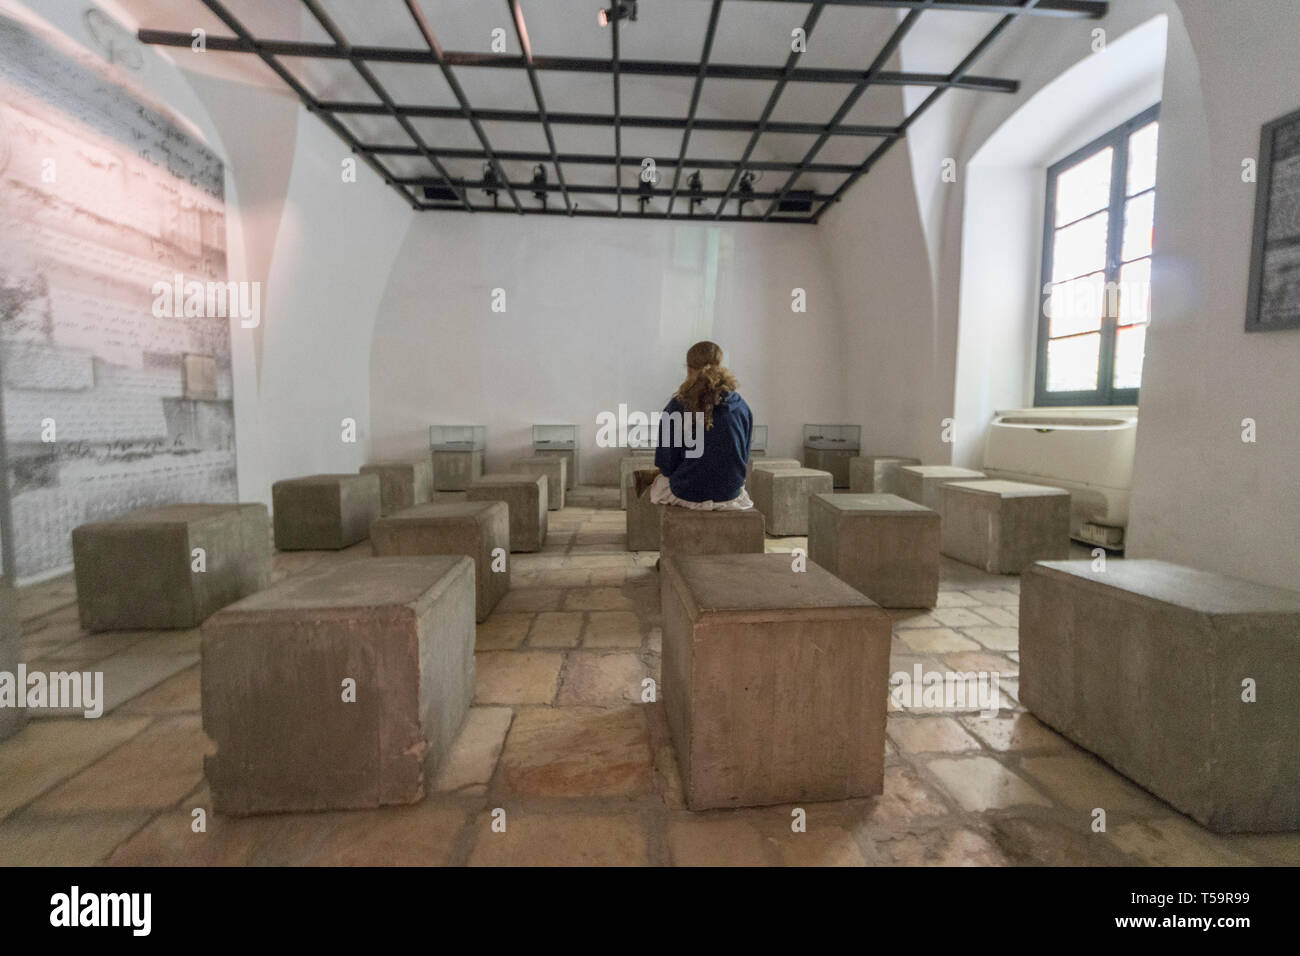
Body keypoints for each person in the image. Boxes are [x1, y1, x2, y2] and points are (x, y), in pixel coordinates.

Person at [650, 340, 754, 510]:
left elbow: (666, 465)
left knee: (658, 486)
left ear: (689, 369)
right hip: (729, 494)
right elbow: (743, 457)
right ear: (721, 366)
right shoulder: (741, 406)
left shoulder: (677, 406)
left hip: (688, 492)